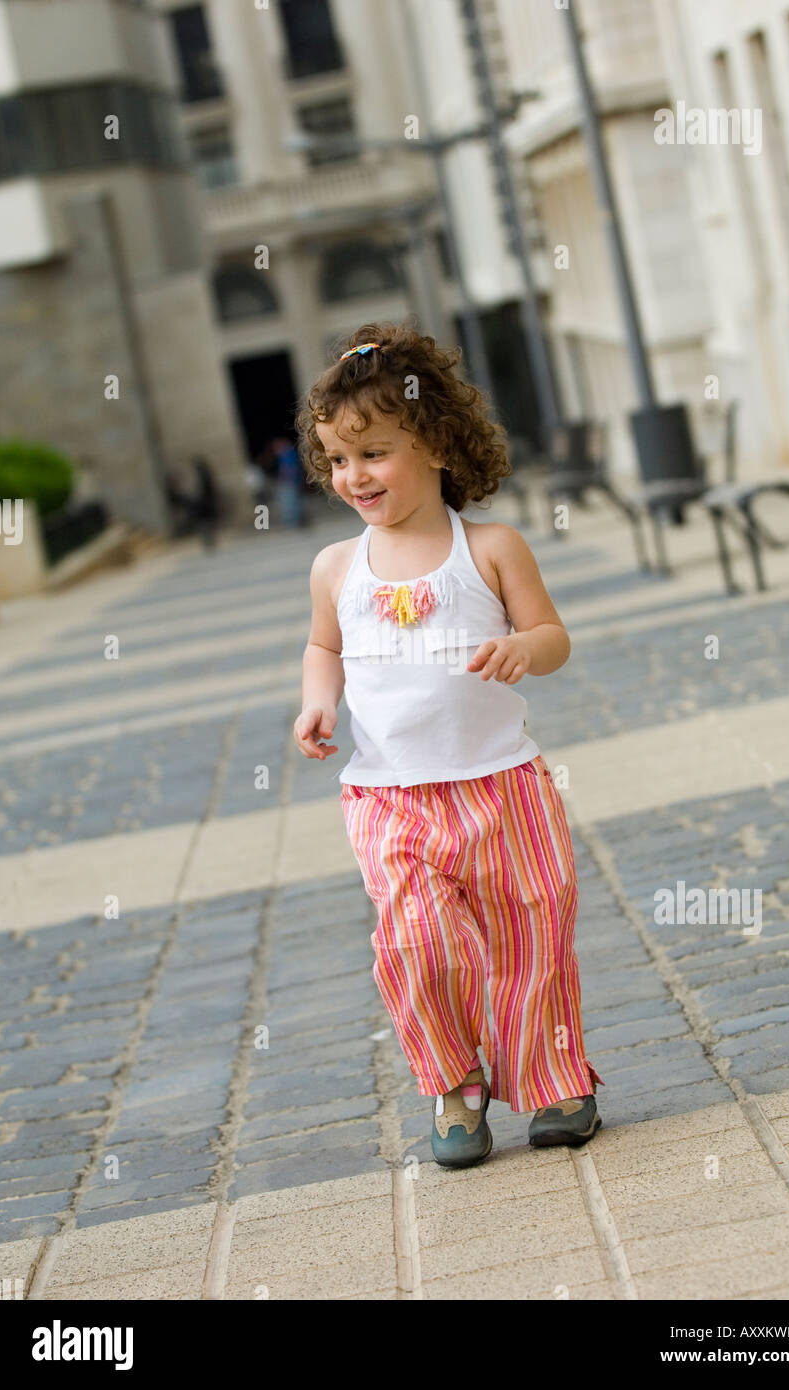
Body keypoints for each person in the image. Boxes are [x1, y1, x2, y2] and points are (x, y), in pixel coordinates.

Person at [292, 324, 602, 1169]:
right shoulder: (335, 567)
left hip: (503, 790)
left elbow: (551, 634)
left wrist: (522, 649)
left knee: (529, 934)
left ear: (432, 443)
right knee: (415, 943)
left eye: (374, 454)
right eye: (337, 461)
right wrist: (319, 701)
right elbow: (325, 647)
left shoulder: (492, 549)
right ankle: (454, 1085)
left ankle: (553, 1080)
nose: (354, 477)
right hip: (390, 797)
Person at [271, 436, 307, 528]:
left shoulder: (286, 454)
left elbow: (289, 468)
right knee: (294, 501)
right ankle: (296, 520)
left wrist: (284, 479)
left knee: (290, 502)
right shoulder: (289, 453)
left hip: (289, 481)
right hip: (293, 480)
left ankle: (293, 521)